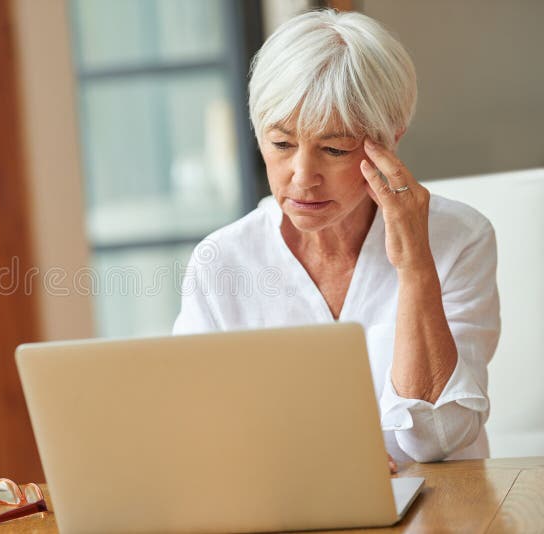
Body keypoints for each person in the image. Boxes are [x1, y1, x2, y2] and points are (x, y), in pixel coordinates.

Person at [172, 9, 500, 467]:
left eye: (334, 149)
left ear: (390, 141)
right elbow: (192, 432)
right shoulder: (221, 260)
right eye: (281, 144)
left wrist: (415, 267)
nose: (302, 178)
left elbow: (439, 440)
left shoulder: (460, 239)